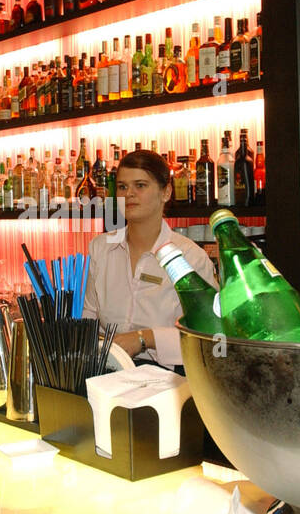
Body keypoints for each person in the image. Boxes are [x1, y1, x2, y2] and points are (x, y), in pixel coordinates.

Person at [83, 150, 216, 371]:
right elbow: (88, 315)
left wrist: (144, 338)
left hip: (171, 384)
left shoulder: (191, 257)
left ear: (166, 192)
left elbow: (207, 338)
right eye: (123, 187)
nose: (129, 194)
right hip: (106, 374)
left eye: (140, 185)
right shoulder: (101, 248)